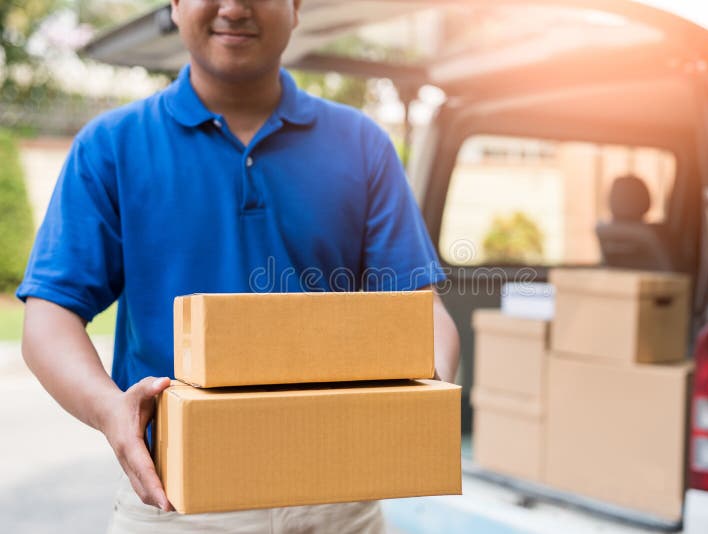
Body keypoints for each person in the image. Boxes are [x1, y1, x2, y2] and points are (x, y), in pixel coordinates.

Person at [16, 0, 460, 532]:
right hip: (177, 505)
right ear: (176, 5)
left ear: (296, 8)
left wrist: (425, 398)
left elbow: (419, 310)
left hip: (337, 501)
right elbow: (49, 318)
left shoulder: (362, 144)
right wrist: (110, 411)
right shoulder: (112, 146)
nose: (233, 7)